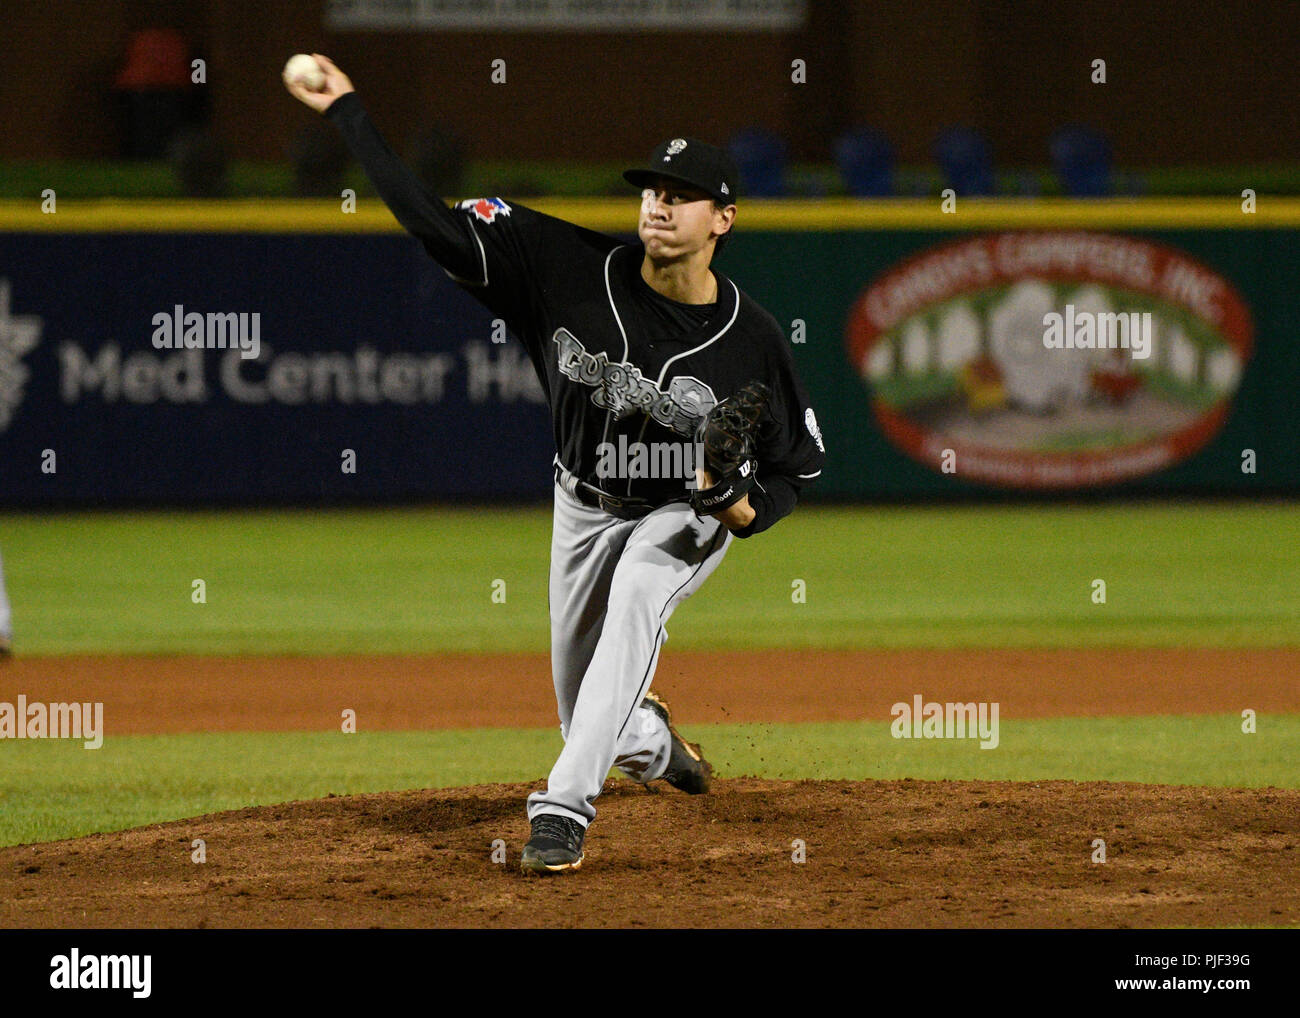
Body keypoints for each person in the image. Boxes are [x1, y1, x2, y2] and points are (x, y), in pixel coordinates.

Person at [285, 55, 825, 874]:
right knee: (584, 713)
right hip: (579, 505)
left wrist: (743, 509)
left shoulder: (752, 343)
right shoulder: (565, 267)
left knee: (644, 585)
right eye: (651, 190)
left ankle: (562, 811)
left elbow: (797, 470)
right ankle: (651, 744)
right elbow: (436, 226)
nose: (659, 205)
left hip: (680, 512)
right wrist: (350, 113)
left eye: (680, 195)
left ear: (724, 218)